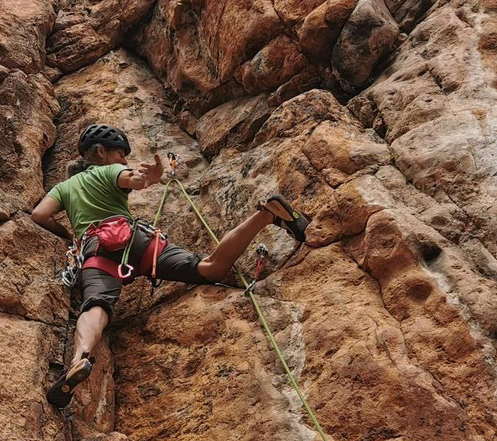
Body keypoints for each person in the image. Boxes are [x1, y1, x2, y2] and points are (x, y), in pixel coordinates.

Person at [31, 122, 310, 407]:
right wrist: (147, 178)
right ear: (101, 152)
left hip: (96, 250)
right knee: (210, 268)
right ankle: (266, 216)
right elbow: (131, 178)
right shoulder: (109, 170)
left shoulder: (64, 187)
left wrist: (68, 234)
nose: (124, 160)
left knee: (97, 304)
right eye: (120, 154)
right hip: (139, 242)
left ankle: (79, 359)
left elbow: (39, 215)